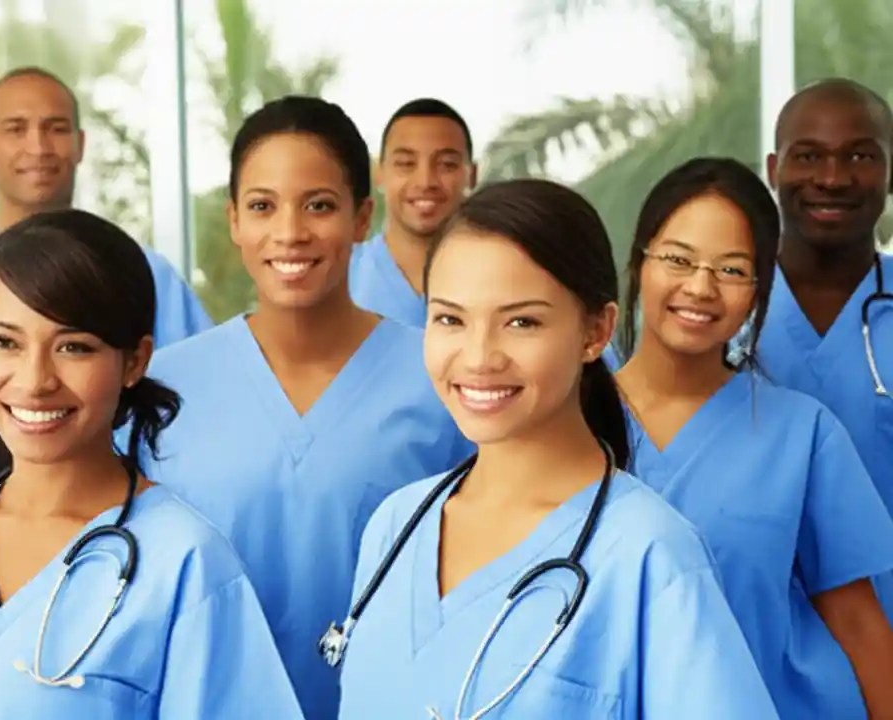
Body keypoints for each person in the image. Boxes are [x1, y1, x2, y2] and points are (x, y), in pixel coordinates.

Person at [333, 179, 777, 718]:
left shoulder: (648, 554)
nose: (478, 357)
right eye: (450, 318)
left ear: (596, 332)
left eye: (521, 322)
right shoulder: (395, 527)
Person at [0, 210, 300, 719]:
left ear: (134, 361)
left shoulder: (183, 562)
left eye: (73, 347)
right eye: (4, 342)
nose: (35, 380)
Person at [136, 96, 473, 720]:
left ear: (362, 217)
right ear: (234, 220)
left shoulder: (440, 380)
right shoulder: (162, 390)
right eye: (263, 206)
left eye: (319, 205)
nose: (290, 232)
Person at [614, 157, 893, 718]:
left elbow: (858, 623)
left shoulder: (801, 433)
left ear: (760, 288)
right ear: (640, 260)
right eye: (678, 259)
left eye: (732, 269)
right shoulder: (568, 417)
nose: (701, 287)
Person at [758, 78, 893, 615]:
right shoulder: (718, 313)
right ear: (774, 169)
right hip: (750, 626)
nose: (832, 179)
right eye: (808, 155)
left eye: (860, 155)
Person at [0, 66, 212, 347]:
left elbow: (200, 369)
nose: (38, 147)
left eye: (57, 129)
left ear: (81, 144)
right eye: (16, 129)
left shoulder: (143, 273)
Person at [350, 98, 475, 327]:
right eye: (406, 163)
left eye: (446, 164)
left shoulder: (499, 273)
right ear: (379, 173)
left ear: (472, 175)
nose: (425, 181)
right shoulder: (337, 274)